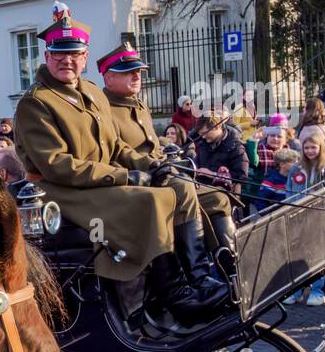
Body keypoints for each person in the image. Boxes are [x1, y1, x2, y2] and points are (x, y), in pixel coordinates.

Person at [13, 2, 228, 331]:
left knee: (180, 187)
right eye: (59, 53)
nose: (66, 60)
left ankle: (201, 278)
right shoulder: (36, 103)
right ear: (47, 56)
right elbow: (58, 166)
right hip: (62, 191)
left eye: (74, 53)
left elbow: (114, 146)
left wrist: (154, 166)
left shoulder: (91, 93)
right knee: (154, 201)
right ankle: (176, 296)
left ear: (85, 58)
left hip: (99, 182)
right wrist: (125, 175)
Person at [99, 43, 236, 256]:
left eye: (138, 72)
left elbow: (150, 141)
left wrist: (167, 147)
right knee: (183, 189)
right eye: (128, 73)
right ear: (108, 78)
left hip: (162, 172)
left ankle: (227, 267)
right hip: (141, 180)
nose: (136, 76)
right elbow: (117, 149)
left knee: (218, 198)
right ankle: (196, 274)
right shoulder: (103, 109)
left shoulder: (138, 104)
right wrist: (153, 163)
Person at [283, 129, 325, 306]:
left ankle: (317, 290)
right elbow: (289, 192)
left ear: (321, 147)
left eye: (313, 147)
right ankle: (297, 290)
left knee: (320, 257)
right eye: (306, 147)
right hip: (299, 220)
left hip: (323, 221)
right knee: (298, 256)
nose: (310, 151)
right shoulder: (295, 168)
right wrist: (290, 212)